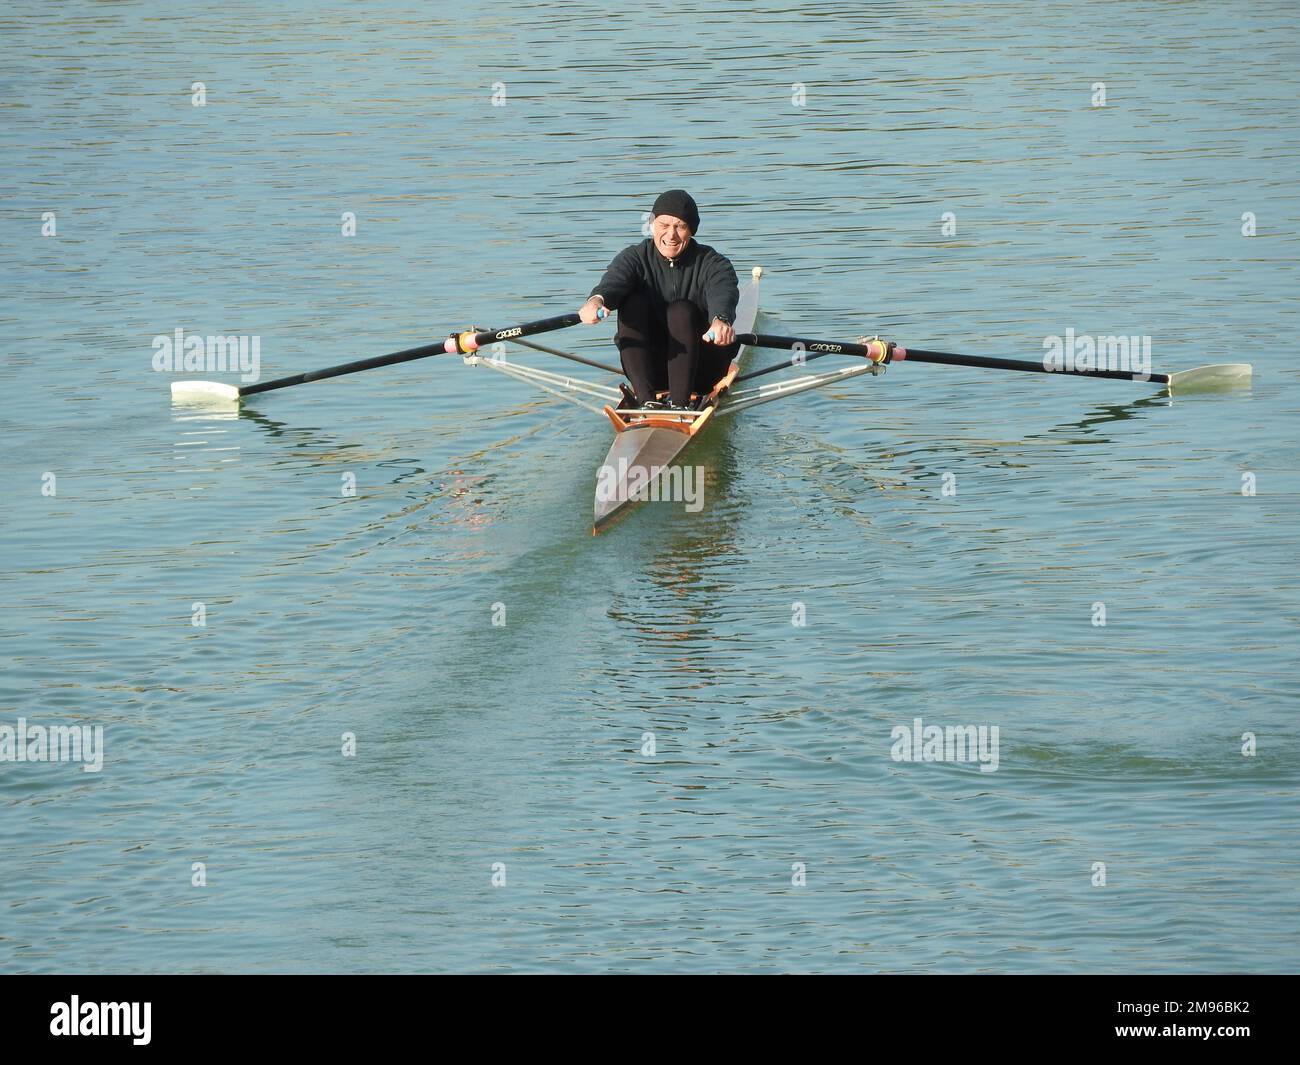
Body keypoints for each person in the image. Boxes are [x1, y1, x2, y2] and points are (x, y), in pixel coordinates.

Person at [579, 190, 739, 410]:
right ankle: (646, 402)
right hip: (651, 372)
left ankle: (680, 406)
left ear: (691, 230)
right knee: (631, 303)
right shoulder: (634, 257)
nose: (670, 235)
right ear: (653, 225)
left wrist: (721, 320)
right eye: (664, 225)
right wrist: (596, 300)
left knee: (680, 310)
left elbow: (723, 291)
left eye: (680, 226)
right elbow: (614, 281)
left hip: (701, 369)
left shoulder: (713, 263)